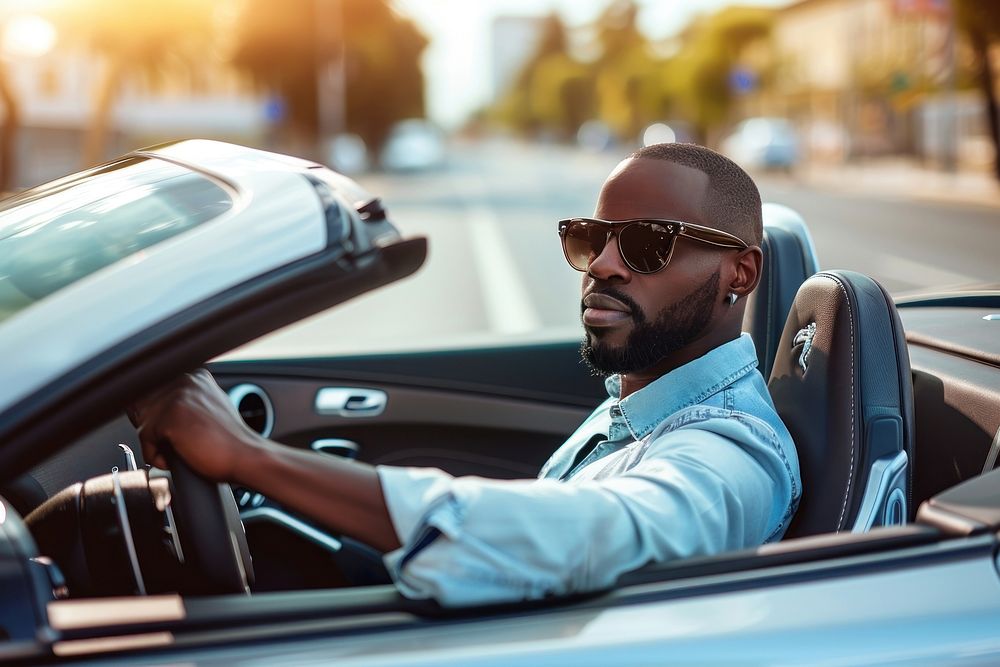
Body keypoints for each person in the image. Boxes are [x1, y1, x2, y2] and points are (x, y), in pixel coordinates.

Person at [131, 143, 800, 607]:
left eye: (649, 243)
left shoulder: (731, 452)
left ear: (739, 273)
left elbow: (581, 535)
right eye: (591, 237)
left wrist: (247, 457)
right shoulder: (642, 402)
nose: (602, 264)